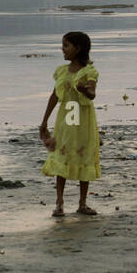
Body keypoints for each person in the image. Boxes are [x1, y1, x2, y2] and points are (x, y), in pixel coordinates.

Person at [39, 31, 101, 216]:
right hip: (66, 117)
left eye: (66, 45)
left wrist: (84, 90)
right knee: (62, 155)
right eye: (63, 45)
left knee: (84, 155)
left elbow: (92, 94)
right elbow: (55, 95)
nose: (63, 49)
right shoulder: (61, 71)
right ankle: (59, 202)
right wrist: (44, 121)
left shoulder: (89, 71)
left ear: (78, 48)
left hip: (82, 119)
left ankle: (82, 203)